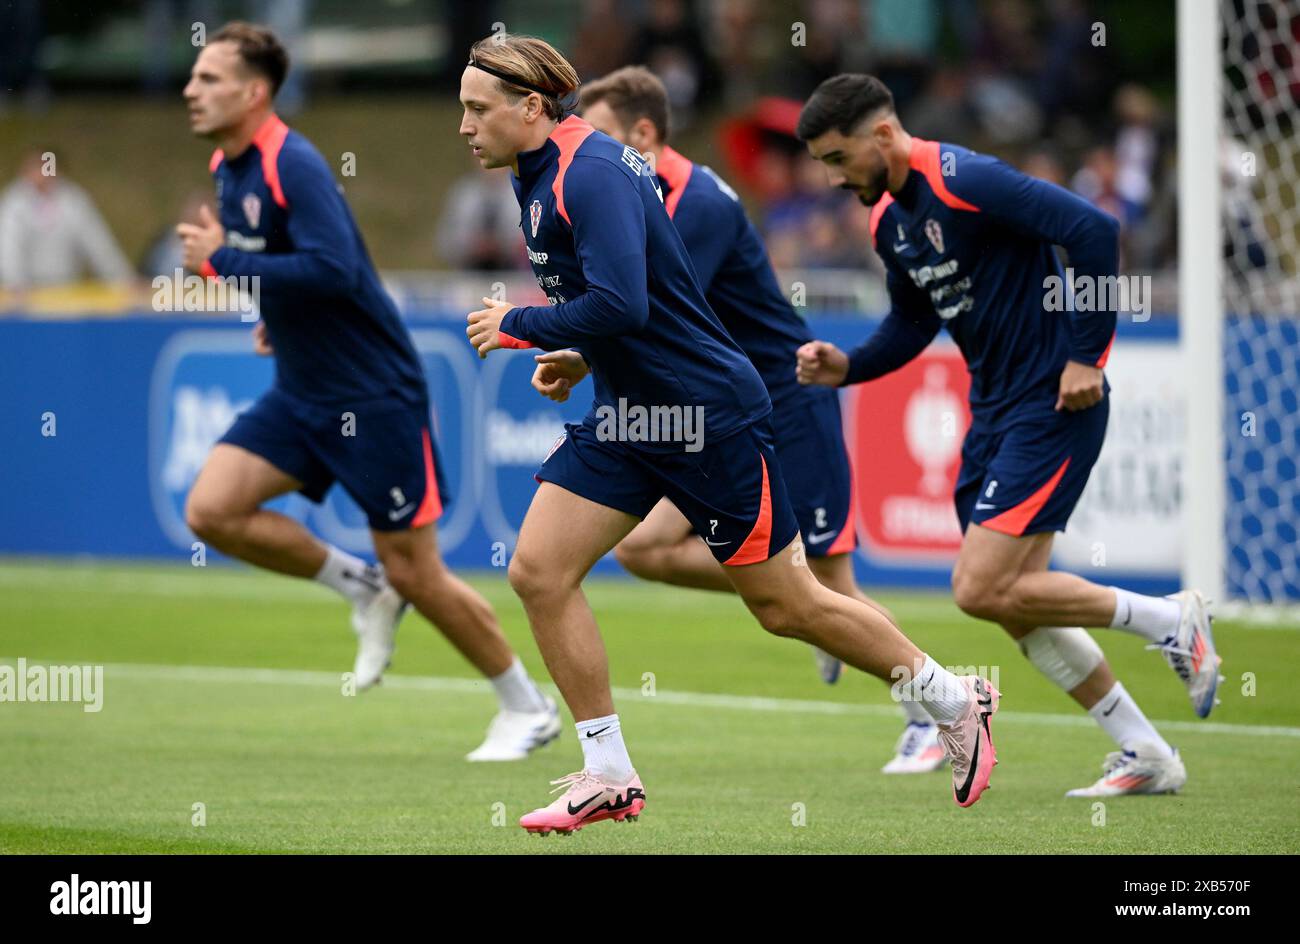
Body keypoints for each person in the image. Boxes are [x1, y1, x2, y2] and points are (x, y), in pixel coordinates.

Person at [460, 34, 1001, 833]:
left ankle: (956, 699)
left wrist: (522, 326)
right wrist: (579, 358)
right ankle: (608, 771)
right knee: (539, 570)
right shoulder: (541, 173)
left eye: (477, 108)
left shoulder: (591, 171)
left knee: (787, 606)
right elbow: (639, 306)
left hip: (702, 415)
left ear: (531, 107)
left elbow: (626, 304)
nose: (465, 125)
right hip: (633, 413)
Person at [793, 74, 1222, 797]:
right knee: (1014, 604)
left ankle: (1169, 619)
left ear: (883, 136)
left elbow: (1093, 229)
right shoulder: (888, 222)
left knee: (979, 587)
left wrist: (1088, 354)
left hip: (1052, 401)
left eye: (838, 159)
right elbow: (912, 320)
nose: (834, 178)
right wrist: (851, 366)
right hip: (992, 412)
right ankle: (1145, 751)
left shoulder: (964, 178)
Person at [178, 21, 559, 762]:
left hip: (371, 393)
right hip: (300, 388)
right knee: (212, 509)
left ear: (254, 92)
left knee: (418, 570)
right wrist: (271, 316)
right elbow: (291, 276)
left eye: (209, 79)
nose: (192, 90)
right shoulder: (231, 170)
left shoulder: (295, 163)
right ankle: (359, 586)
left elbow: (334, 270)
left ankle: (528, 706)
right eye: (193, 78)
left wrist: (221, 261)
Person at [578, 65, 945, 775]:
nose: (585, 154)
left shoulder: (699, 204)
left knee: (833, 584)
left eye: (599, 138)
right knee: (643, 550)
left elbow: (639, 310)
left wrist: (556, 337)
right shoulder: (640, 195)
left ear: (644, 135)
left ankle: (928, 715)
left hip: (787, 396)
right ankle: (803, 601)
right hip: (719, 410)